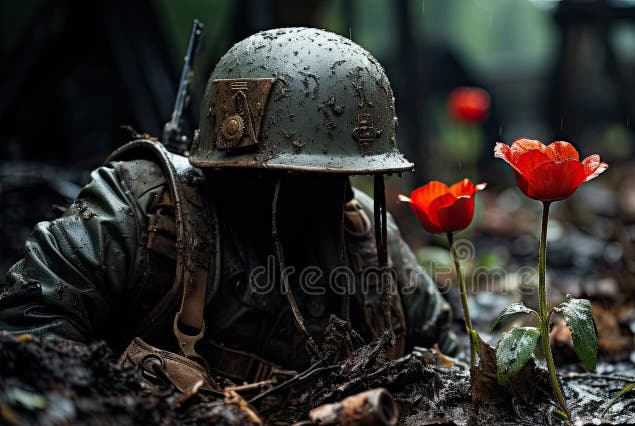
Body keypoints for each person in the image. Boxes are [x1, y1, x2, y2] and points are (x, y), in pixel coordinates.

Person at [0, 27, 454, 388]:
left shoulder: (364, 236)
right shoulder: (143, 209)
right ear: (238, 167)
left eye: (338, 178)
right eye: (299, 177)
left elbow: (446, 347)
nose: (324, 198)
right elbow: (28, 321)